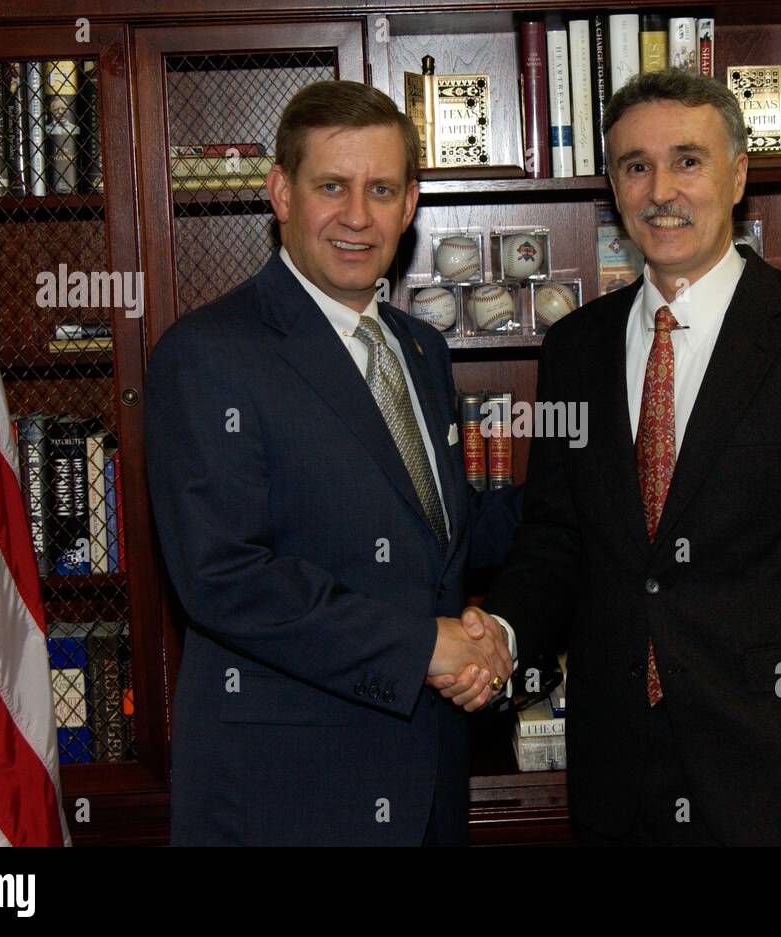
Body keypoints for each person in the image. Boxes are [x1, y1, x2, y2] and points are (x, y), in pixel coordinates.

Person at [434, 68, 781, 846]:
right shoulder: (575, 349)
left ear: (738, 176)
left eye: (687, 160)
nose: (662, 189)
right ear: (615, 190)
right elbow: (556, 537)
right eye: (636, 166)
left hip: (778, 769)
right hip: (617, 769)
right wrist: (504, 632)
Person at [144, 80, 518, 846]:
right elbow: (224, 576)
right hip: (288, 797)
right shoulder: (209, 353)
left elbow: (442, 544)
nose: (357, 215)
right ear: (280, 192)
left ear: (411, 203)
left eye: (381, 189)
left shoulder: (422, 350)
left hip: (429, 784)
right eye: (331, 186)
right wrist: (426, 645)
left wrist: (499, 628)